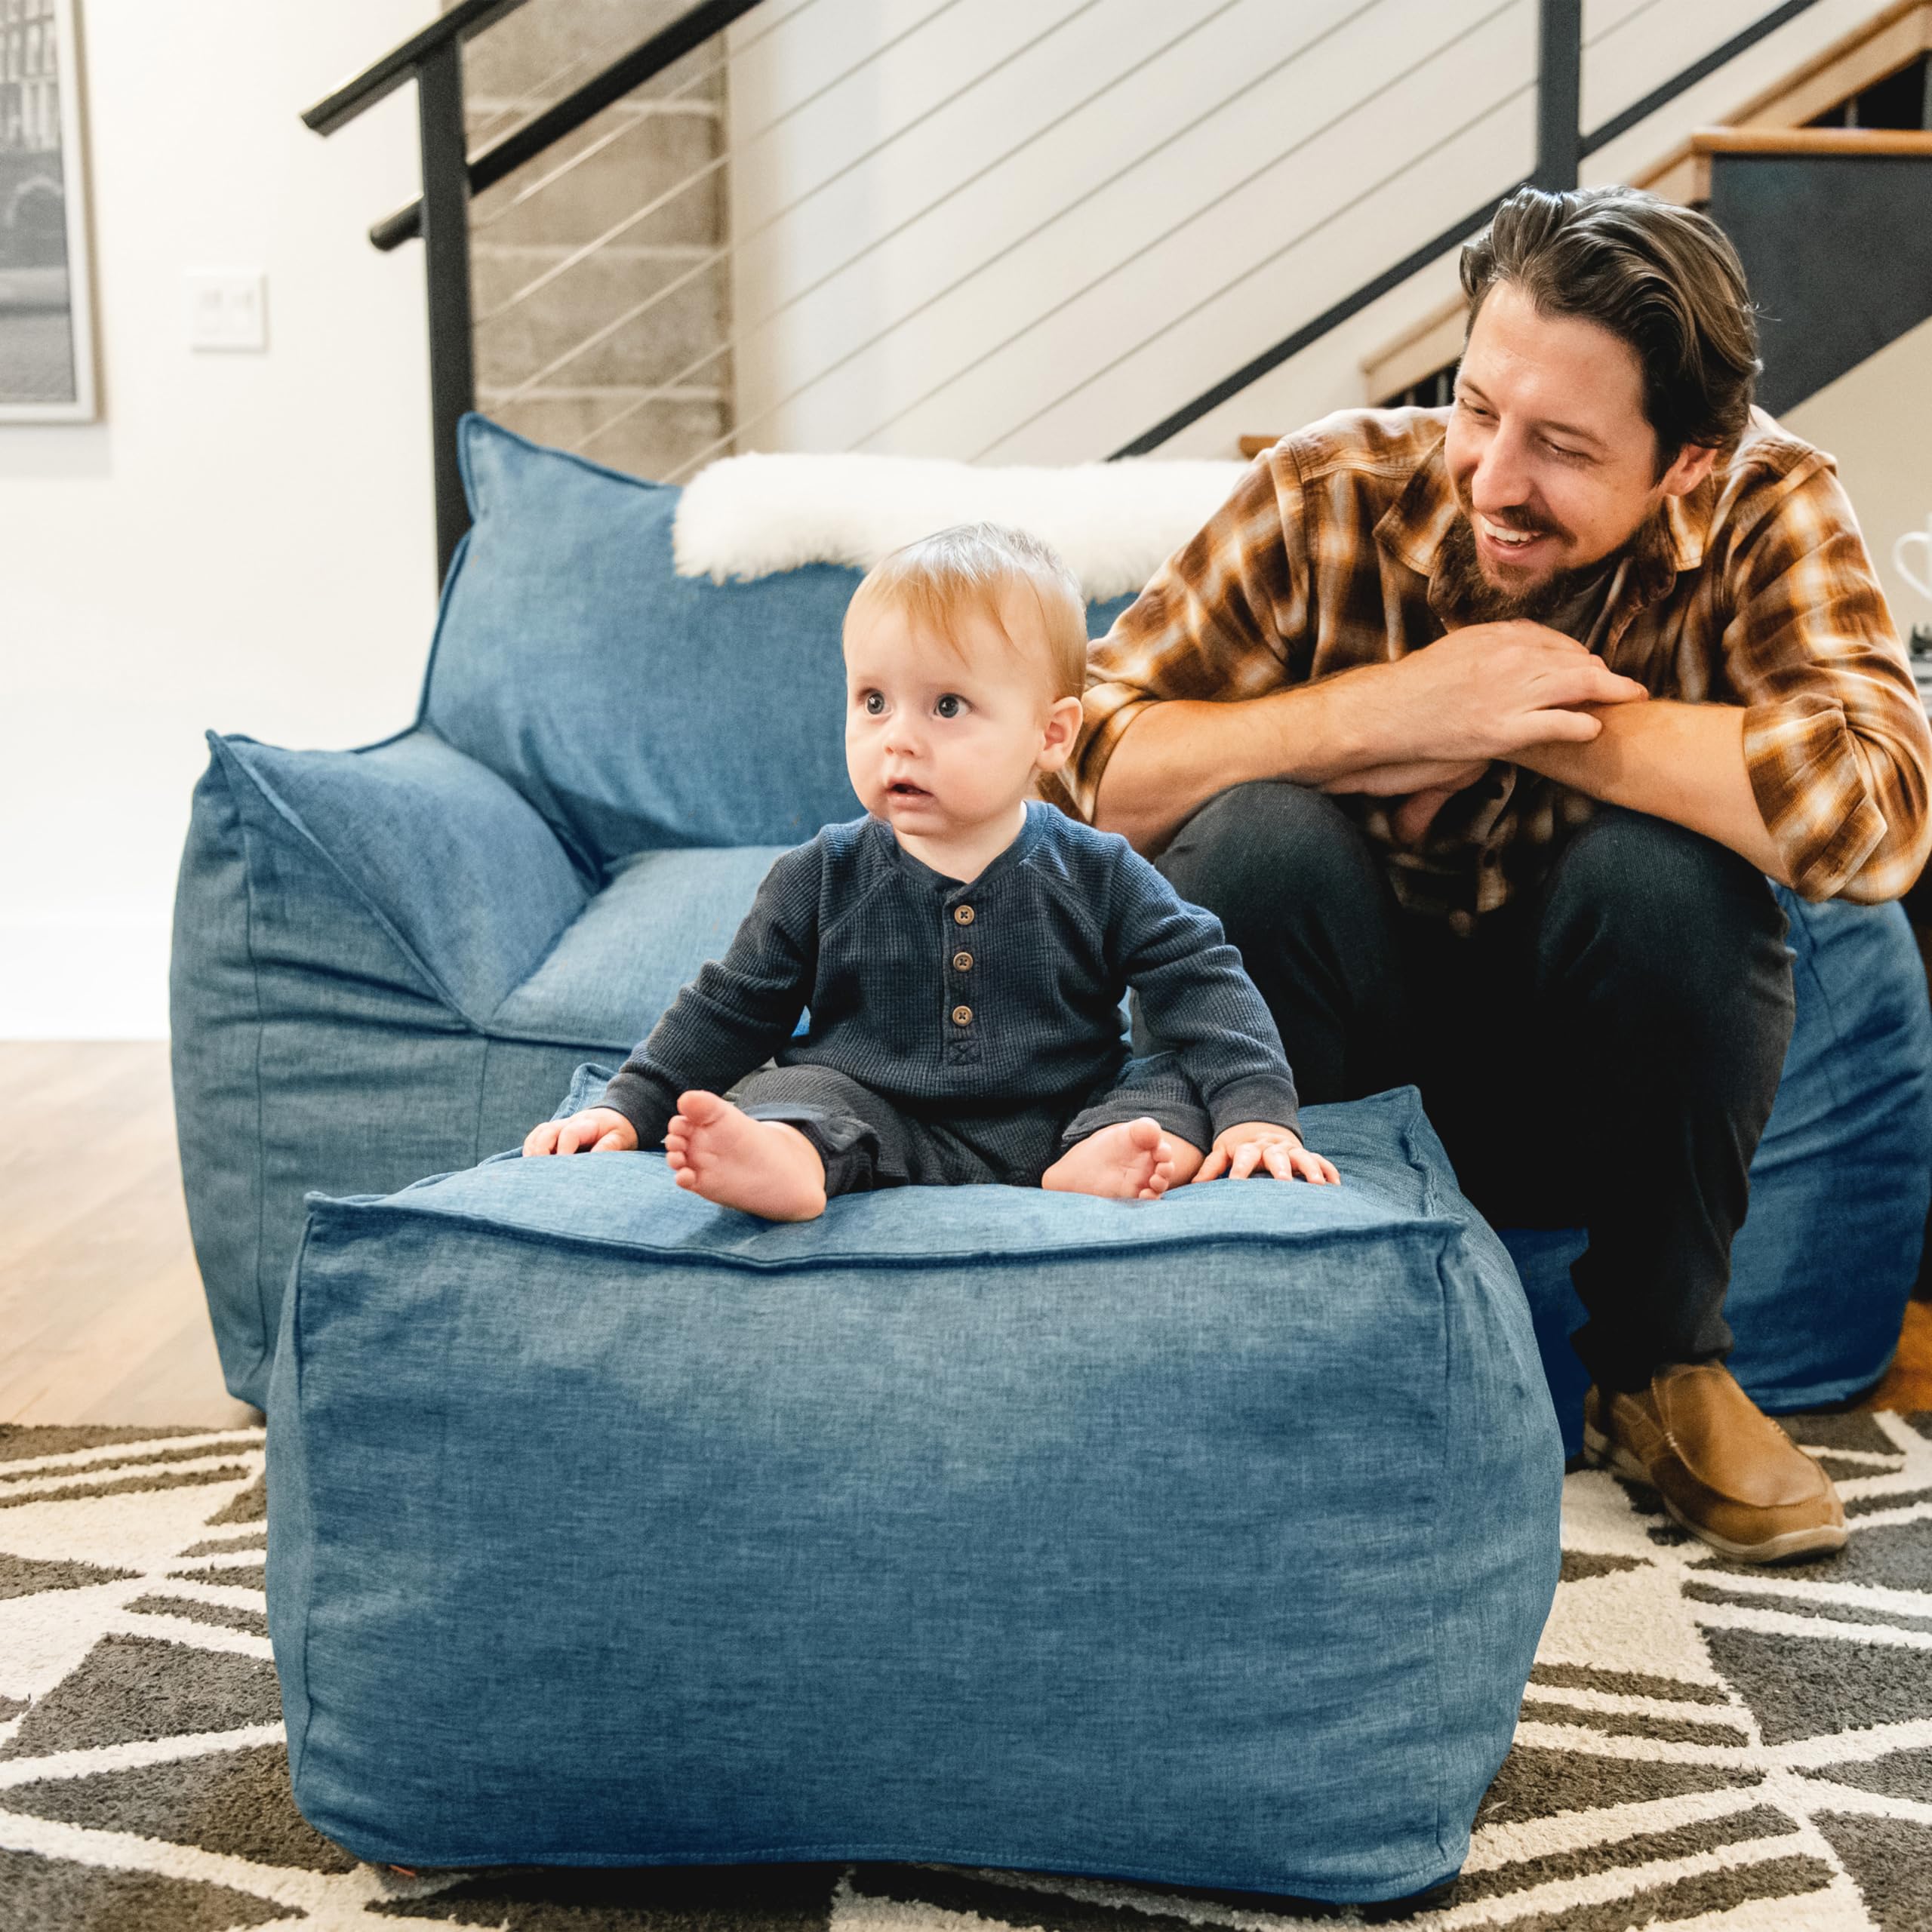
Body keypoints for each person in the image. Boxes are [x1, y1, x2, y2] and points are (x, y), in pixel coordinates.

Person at [1044, 185, 1932, 1565]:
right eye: (1475, 408)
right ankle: (1274, 1349)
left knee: (1670, 877)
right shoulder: (1326, 493)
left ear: (1688, 462)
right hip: (1318, 1065)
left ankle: (1657, 1373)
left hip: (1594, 1079)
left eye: (1563, 448)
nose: (1491, 479)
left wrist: (1551, 721)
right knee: (1257, 833)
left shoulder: (1773, 503)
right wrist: (1382, 717)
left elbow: (1877, 812)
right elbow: (1073, 768)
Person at [525, 521, 1334, 1221]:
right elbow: (729, 1008)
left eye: (946, 706)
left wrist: (1256, 1115)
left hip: (1063, 1111)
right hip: (871, 1110)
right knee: (785, 1095)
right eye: (873, 701)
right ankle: (789, 1166)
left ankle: (1094, 1166)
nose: (897, 739)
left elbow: (1203, 981)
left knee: (1168, 1086)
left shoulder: (1097, 870)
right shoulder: (822, 875)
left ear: (1050, 736)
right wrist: (628, 1104)